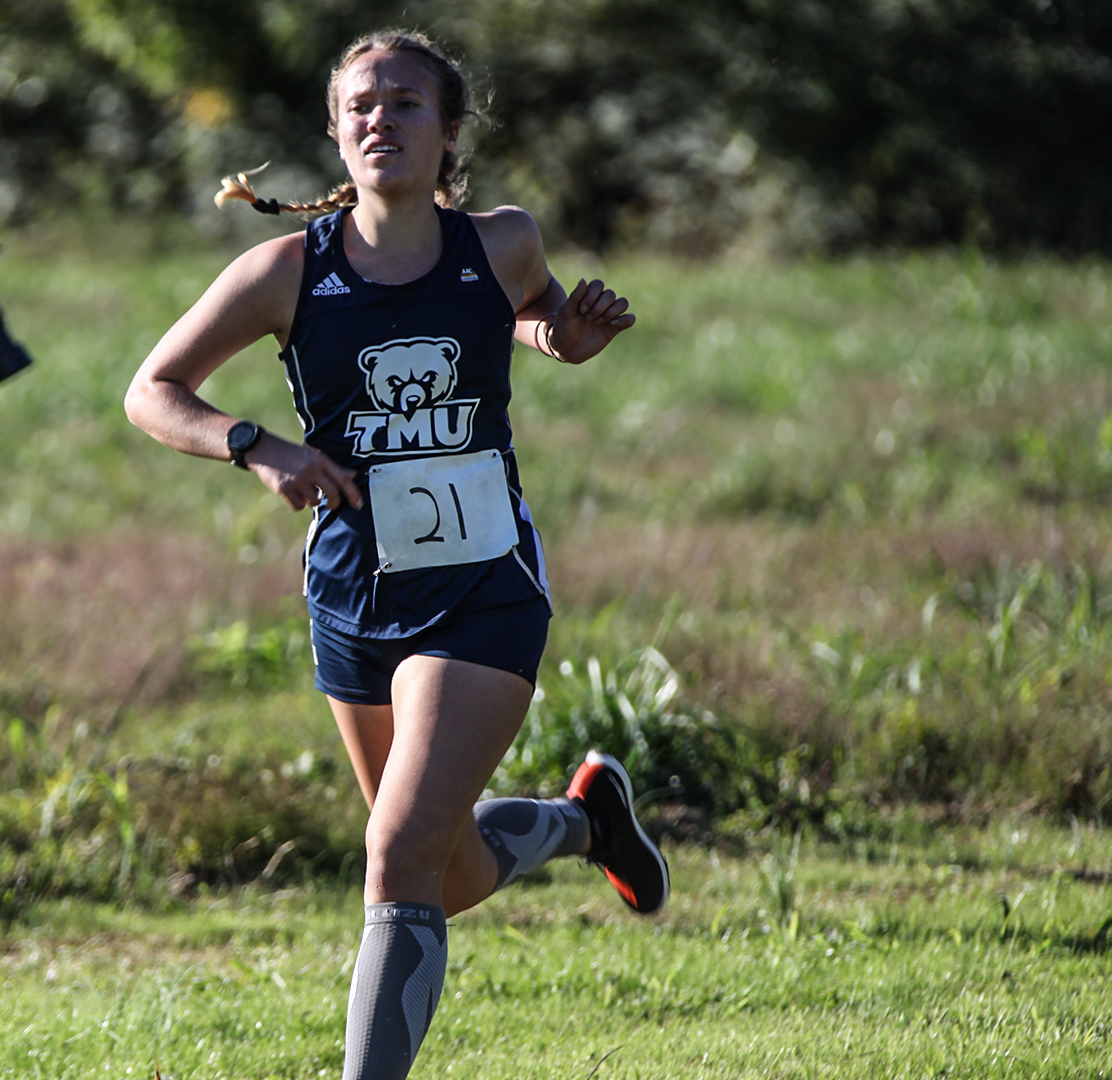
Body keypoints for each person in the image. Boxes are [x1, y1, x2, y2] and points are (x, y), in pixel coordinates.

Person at [124, 30, 669, 1080]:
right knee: (441, 864)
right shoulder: (283, 273)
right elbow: (153, 390)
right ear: (335, 130)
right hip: (352, 598)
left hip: (482, 588)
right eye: (362, 105)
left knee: (393, 854)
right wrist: (254, 445)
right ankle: (582, 823)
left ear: (449, 131)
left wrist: (571, 334)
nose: (382, 119)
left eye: (407, 103)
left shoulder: (499, 241)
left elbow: (527, 313)